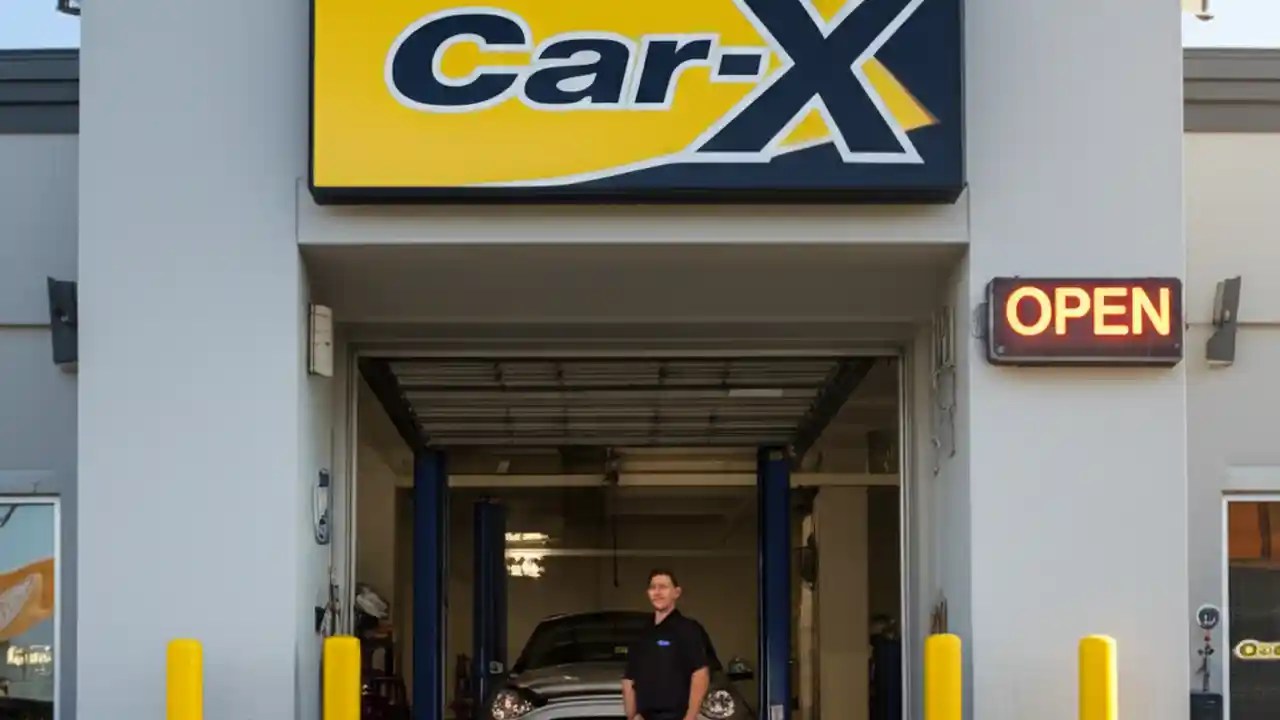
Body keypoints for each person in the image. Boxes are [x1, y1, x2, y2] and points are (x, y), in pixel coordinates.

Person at [622, 569, 710, 720]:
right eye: (653, 587)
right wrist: (633, 716)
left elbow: (700, 674)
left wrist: (690, 718)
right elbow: (629, 678)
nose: (657, 592)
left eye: (663, 587)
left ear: (676, 592)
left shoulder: (688, 629)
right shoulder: (642, 633)